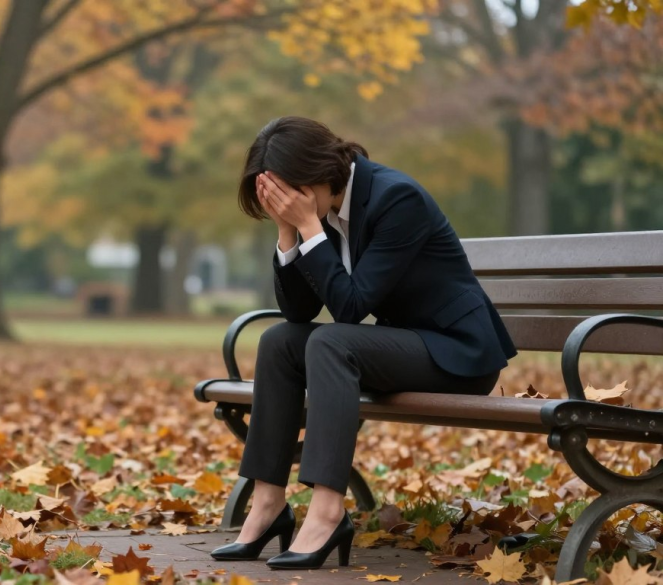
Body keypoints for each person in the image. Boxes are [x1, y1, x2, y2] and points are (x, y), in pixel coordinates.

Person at [209, 117, 516, 570]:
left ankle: (329, 511)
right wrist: (288, 232)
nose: (287, 204)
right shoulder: (322, 211)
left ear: (316, 173)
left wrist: (311, 228)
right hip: (403, 344)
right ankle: (268, 504)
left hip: (456, 353)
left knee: (332, 343)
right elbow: (299, 314)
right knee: (280, 341)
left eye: (288, 192)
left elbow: (351, 308)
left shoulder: (396, 199)